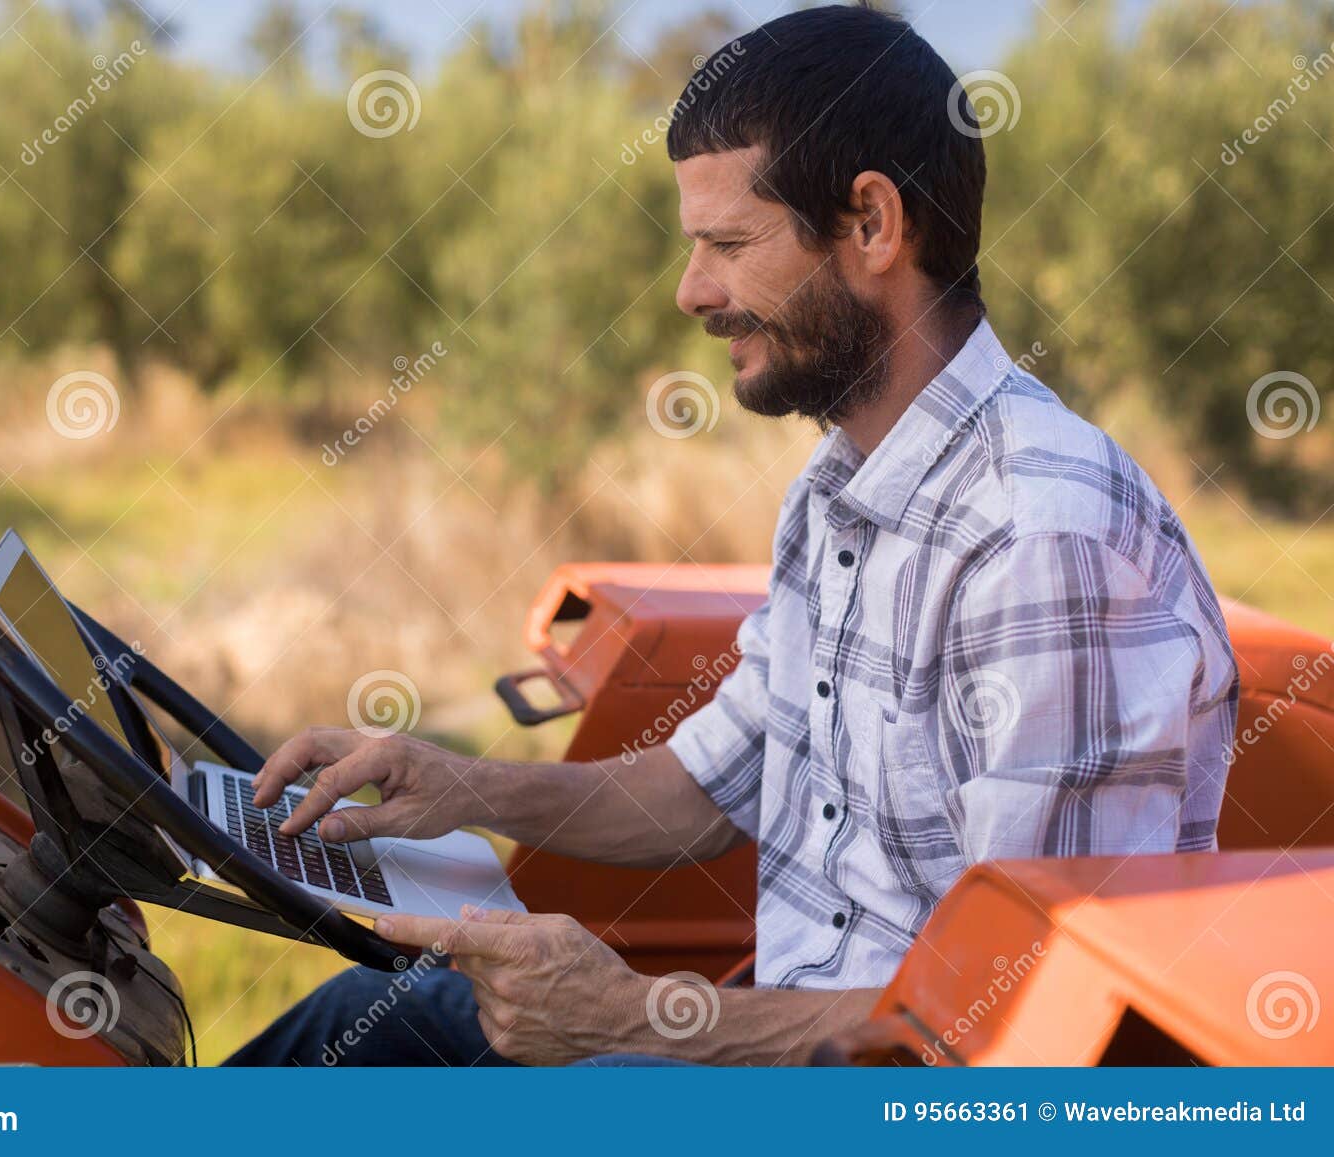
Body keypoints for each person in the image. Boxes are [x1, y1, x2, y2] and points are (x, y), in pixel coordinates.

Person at [226, 3, 1238, 1067]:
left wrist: (635, 1017)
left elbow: (1024, 1010)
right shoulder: (836, 486)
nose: (690, 291)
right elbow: (707, 787)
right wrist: (458, 785)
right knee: (355, 1023)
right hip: (781, 1047)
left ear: (871, 226)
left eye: (727, 244)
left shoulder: (1042, 539)